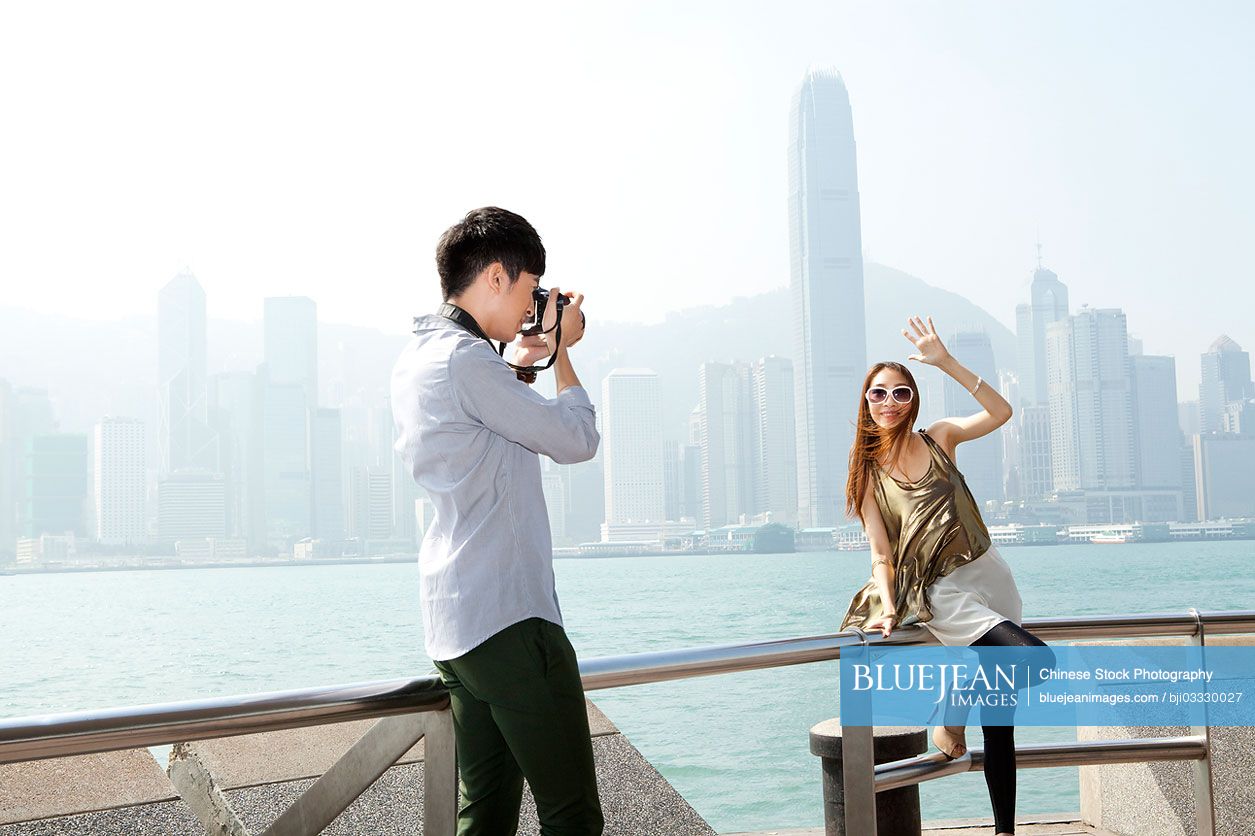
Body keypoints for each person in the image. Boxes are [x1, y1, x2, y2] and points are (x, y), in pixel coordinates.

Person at [391, 206, 604, 835]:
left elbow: (485, 428)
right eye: (530, 288)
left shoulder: (419, 359)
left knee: (484, 814)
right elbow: (576, 439)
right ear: (495, 277)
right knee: (571, 815)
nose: (531, 306)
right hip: (510, 617)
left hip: (455, 627)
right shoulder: (466, 361)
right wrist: (561, 356)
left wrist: (526, 359)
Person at [839, 315, 1054, 836]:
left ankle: (1004, 830)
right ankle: (953, 702)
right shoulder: (868, 475)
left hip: (990, 575)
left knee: (1000, 724)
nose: (889, 402)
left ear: (913, 399)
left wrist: (946, 362)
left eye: (900, 392)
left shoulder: (939, 438)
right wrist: (890, 606)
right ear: (866, 402)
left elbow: (1001, 413)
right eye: (878, 394)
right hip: (942, 592)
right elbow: (881, 553)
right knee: (1037, 661)